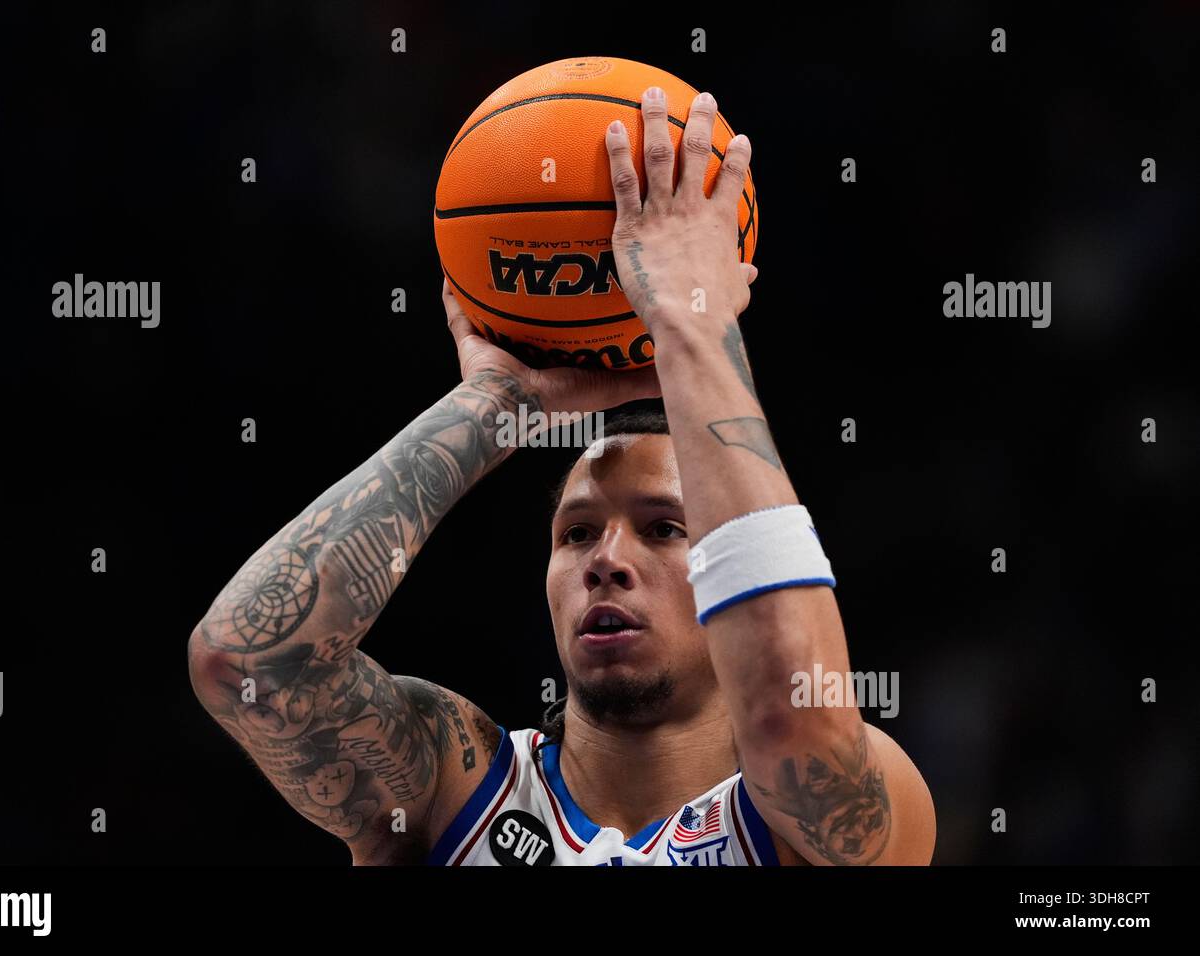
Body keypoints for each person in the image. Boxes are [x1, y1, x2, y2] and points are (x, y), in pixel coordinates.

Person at [187, 85, 935, 865]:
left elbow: (791, 720)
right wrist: (495, 402)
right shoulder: (453, 787)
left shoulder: (833, 815)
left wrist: (692, 324)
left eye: (665, 528)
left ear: (723, 565)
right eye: (576, 532)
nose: (606, 559)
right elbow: (248, 662)